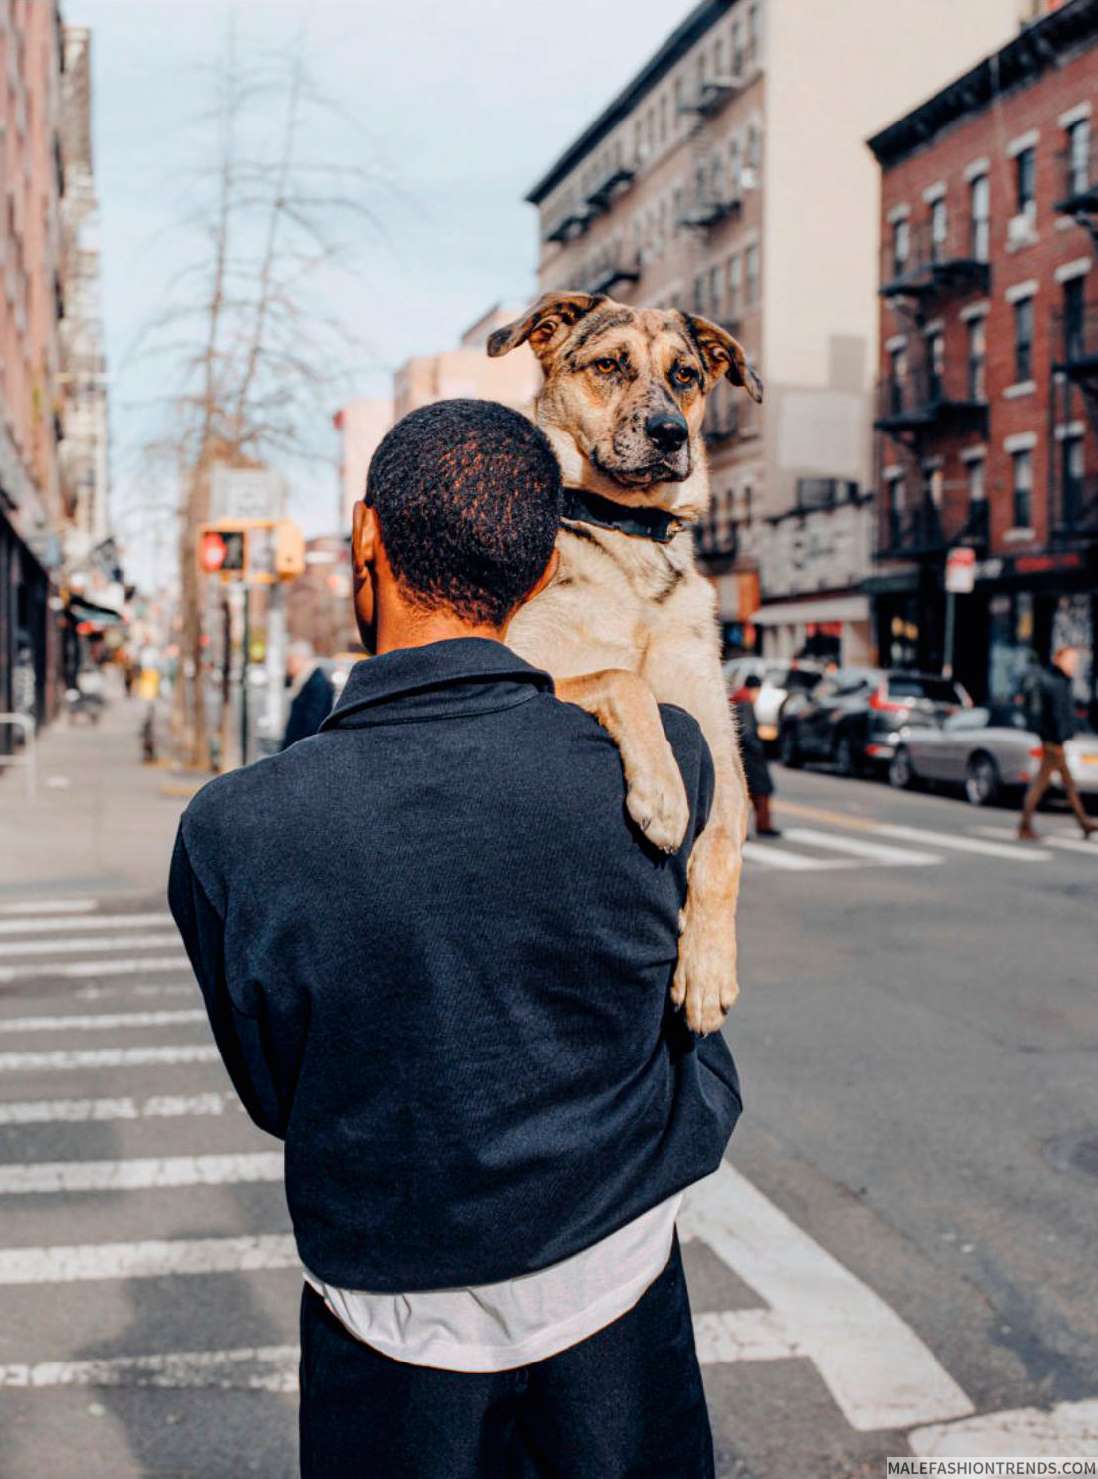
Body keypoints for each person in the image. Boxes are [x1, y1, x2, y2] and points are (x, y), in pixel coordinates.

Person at [168, 398, 741, 1479]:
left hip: (387, 1317)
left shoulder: (232, 830)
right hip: (617, 1290)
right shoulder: (660, 759)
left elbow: (273, 1088)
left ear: (365, 542)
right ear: (538, 576)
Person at [1018, 644, 1097, 841]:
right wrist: (1060, 736)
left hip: (1056, 742)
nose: (1073, 665)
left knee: (1068, 786)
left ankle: (1084, 823)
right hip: (1053, 743)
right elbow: (1056, 716)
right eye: (1070, 660)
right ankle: (1024, 826)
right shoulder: (1055, 683)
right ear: (1058, 660)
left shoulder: (1061, 682)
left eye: (1075, 662)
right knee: (1041, 785)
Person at [734, 673, 780, 837]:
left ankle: (750, 828)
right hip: (751, 757)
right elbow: (747, 733)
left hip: (745, 755)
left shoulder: (738, 700)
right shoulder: (745, 703)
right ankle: (763, 825)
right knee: (761, 792)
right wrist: (759, 749)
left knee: (747, 794)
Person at [281, 639, 335, 749]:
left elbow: (313, 723)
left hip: (303, 750)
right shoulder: (305, 680)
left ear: (300, 659)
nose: (288, 666)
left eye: (290, 661)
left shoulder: (316, 683)